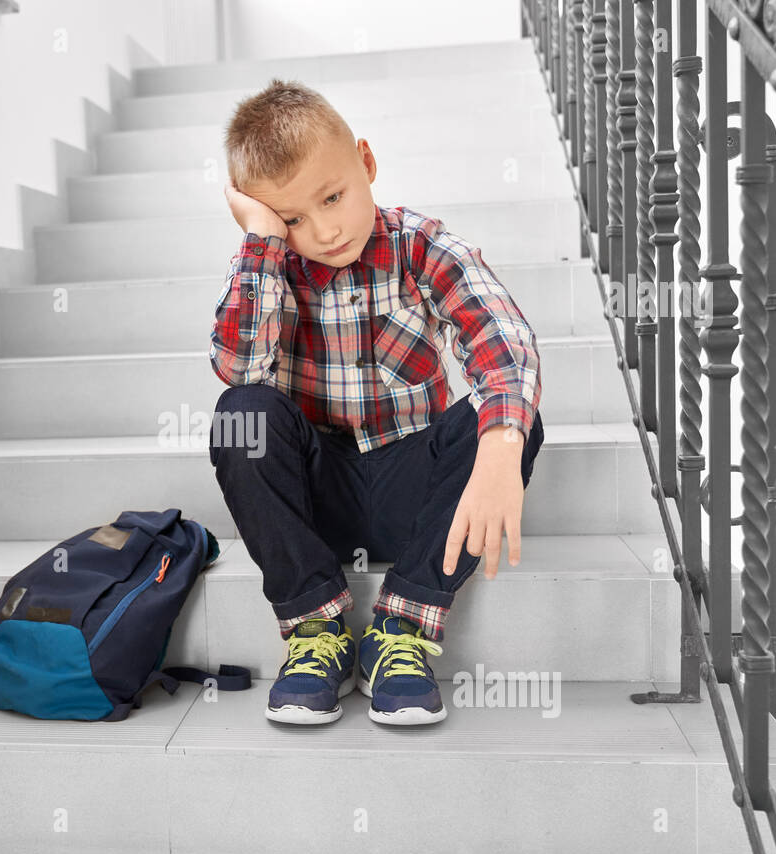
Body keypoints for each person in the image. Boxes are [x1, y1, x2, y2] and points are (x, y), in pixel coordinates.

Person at [208, 79, 544, 726]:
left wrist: (503, 445)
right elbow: (238, 367)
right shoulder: (265, 263)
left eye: (333, 197)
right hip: (319, 495)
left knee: (505, 416)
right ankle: (316, 631)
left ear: (366, 162)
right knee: (242, 414)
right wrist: (264, 242)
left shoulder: (419, 245)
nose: (326, 229)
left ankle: (403, 628)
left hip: (413, 491)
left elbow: (503, 341)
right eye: (295, 217)